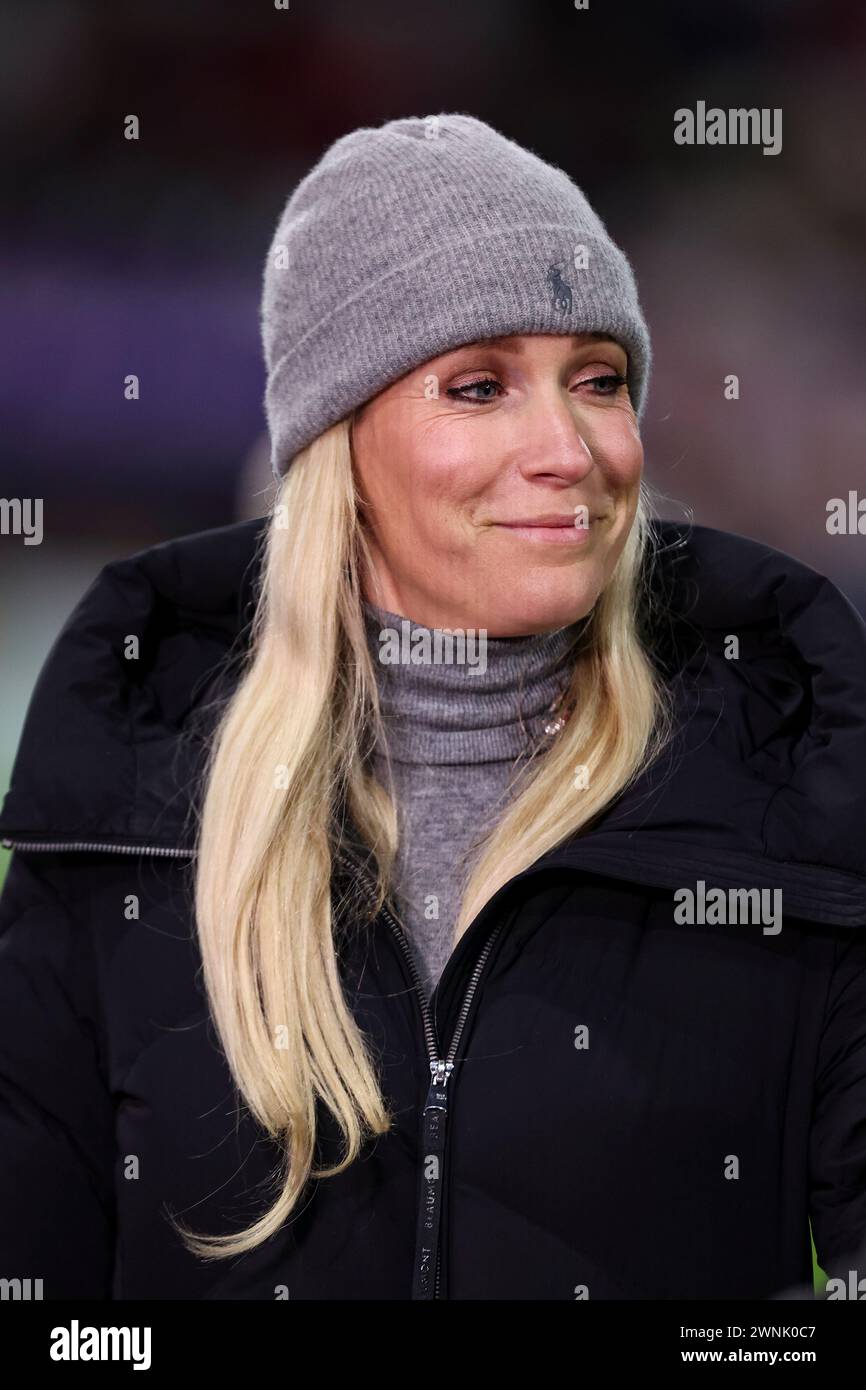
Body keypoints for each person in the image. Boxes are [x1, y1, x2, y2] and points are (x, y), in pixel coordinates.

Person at [1, 113, 865, 1301]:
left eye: (599, 382)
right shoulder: (126, 802)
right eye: (478, 386)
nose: (568, 447)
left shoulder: (782, 783)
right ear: (334, 447)